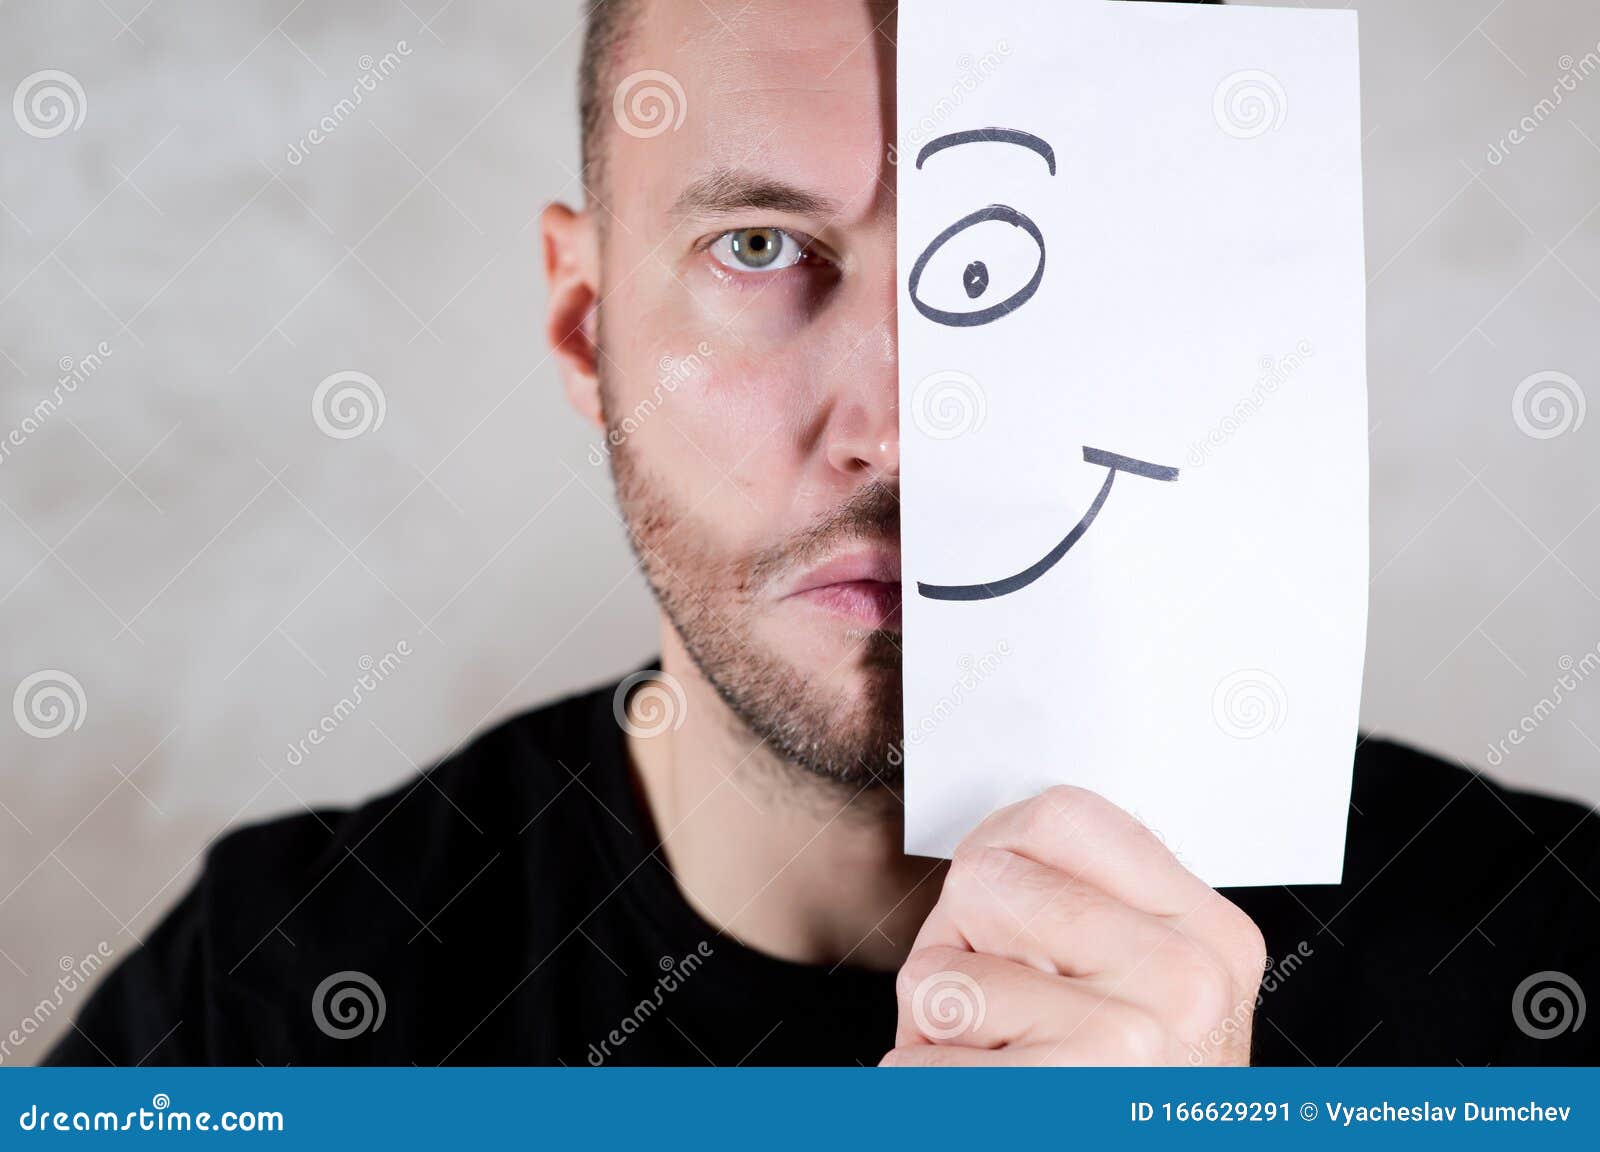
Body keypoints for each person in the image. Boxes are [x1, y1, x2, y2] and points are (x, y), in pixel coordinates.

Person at [47, 0, 1598, 1066]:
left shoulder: (1543, 956)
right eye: (762, 247)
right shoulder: (282, 995)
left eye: (1003, 264)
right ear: (585, 323)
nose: (902, 422)